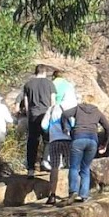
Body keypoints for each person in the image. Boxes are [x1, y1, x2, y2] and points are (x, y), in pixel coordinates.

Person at [67, 99, 109, 203]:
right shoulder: (97, 111)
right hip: (92, 141)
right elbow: (108, 128)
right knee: (85, 168)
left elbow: (65, 114)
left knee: (74, 167)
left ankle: (73, 191)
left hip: (78, 139)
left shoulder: (77, 109)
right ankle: (84, 195)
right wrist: (104, 144)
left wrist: (67, 128)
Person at [44, 75, 79, 204]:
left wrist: (51, 131)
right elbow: (73, 124)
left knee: (54, 167)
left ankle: (52, 195)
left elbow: (44, 126)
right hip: (67, 140)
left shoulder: (51, 109)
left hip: (54, 141)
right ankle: (72, 192)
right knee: (71, 166)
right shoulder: (67, 109)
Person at [18, 64, 55, 175]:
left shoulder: (28, 84)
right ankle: (45, 161)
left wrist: (29, 116)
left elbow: (26, 103)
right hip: (46, 115)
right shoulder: (50, 84)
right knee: (48, 140)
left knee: (32, 141)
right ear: (45, 72)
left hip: (33, 115)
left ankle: (30, 169)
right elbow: (53, 102)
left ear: (36, 72)